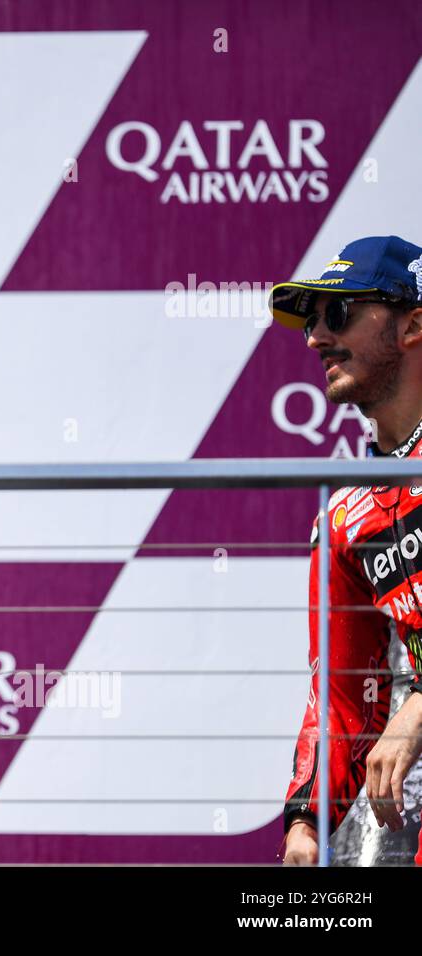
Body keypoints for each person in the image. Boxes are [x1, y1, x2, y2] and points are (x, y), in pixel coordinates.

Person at [269, 235, 422, 865]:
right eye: (309, 320)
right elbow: (341, 692)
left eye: (338, 314)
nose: (314, 338)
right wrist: (306, 818)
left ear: (412, 324)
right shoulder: (347, 512)